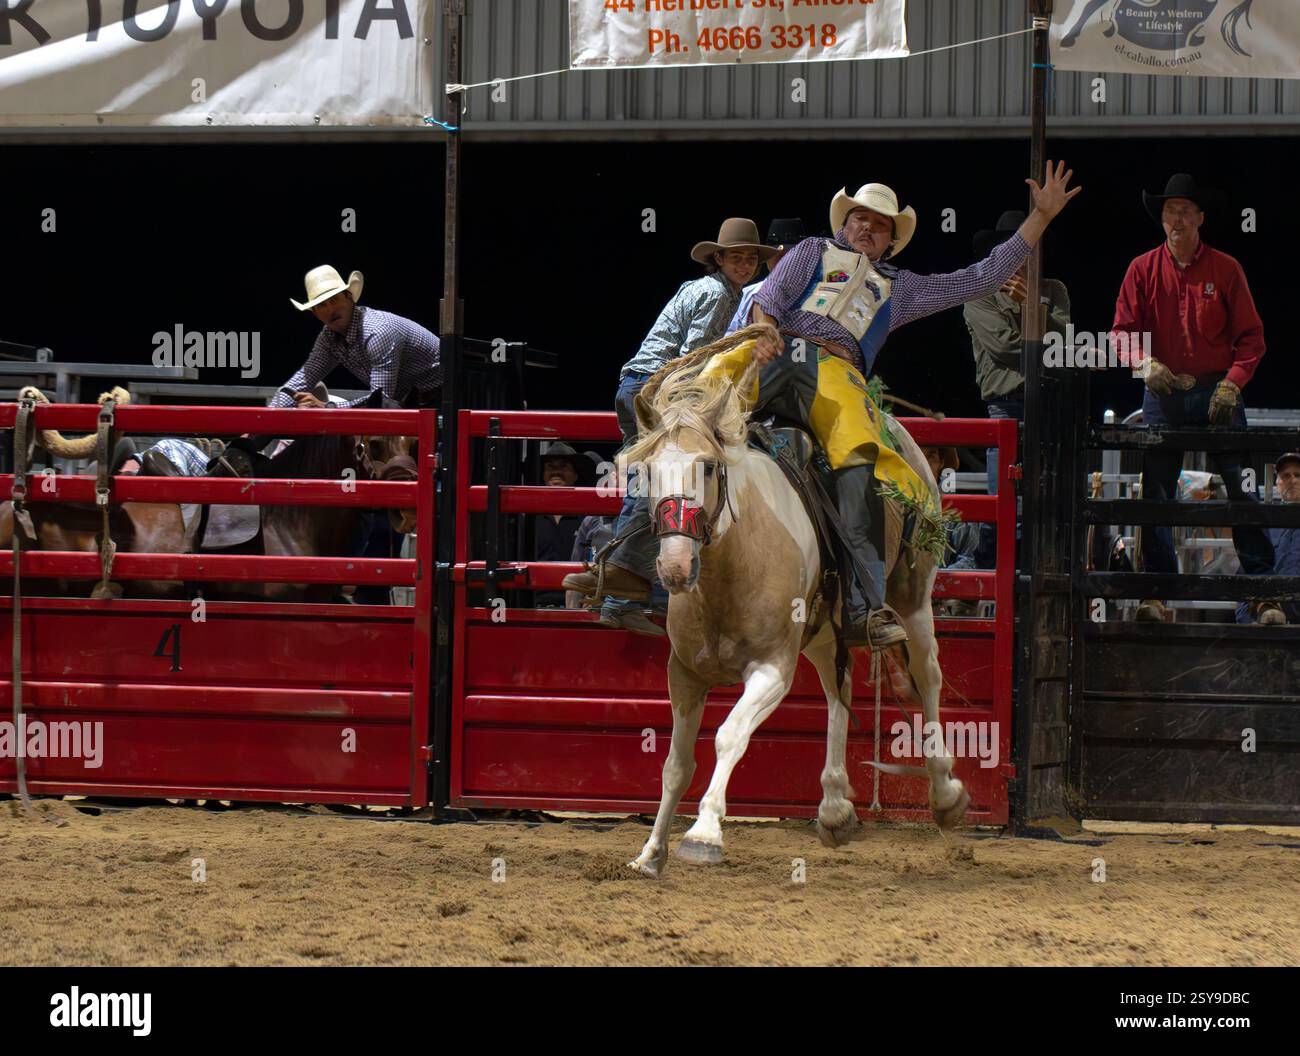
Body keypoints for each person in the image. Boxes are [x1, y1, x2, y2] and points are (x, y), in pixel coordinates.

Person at [744, 163, 1079, 647]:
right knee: (693, 408)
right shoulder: (811, 251)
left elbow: (979, 277)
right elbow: (771, 296)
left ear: (890, 242)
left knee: (859, 464)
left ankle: (863, 607)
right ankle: (635, 563)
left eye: (880, 225)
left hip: (836, 374)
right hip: (774, 350)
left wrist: (1041, 218)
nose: (868, 228)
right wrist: (764, 329)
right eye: (861, 218)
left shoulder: (900, 290)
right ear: (845, 222)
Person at [562, 218, 778, 636]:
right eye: (737, 256)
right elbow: (691, 358)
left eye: (751, 257)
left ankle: (617, 590)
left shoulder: (716, 291)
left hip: (641, 386)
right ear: (719, 259)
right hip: (655, 388)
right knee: (661, 480)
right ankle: (618, 589)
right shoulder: (719, 294)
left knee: (650, 482)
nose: (746, 263)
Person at [1109, 174, 1272, 622]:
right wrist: (1145, 364)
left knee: (1241, 488)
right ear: (1161, 220)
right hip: (1165, 392)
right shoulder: (1142, 269)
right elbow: (1121, 333)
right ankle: (1155, 595)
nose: (1176, 219)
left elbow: (1252, 337)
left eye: (1184, 210)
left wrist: (1232, 382)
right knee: (1156, 494)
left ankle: (1263, 593)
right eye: (1169, 211)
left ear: (1201, 218)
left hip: (1217, 389)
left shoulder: (1226, 268)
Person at [964, 209, 1072, 570]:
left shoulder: (1052, 291)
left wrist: (1033, 304)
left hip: (1049, 408)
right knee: (1004, 503)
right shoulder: (980, 294)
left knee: (1047, 504)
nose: (1022, 259)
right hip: (1007, 408)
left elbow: (1066, 343)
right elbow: (1007, 348)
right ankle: (984, 574)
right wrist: (1042, 328)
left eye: (1028, 250)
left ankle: (1029, 582)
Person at [271, 265, 442, 410]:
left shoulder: (377, 331)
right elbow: (301, 381)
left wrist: (328, 407)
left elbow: (382, 399)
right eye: (322, 305)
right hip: (410, 403)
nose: (331, 309)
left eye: (334, 299)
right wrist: (261, 422)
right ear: (315, 313)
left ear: (349, 297)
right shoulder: (328, 338)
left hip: (449, 397)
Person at [1235, 453, 1299, 626]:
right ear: (1278, 484)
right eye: (1286, 476)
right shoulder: (1264, 529)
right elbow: (1245, 582)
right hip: (1267, 625)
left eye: (1298, 475)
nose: (1292, 480)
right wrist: (1249, 621)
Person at [726, 218, 807, 334]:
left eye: (789, 253)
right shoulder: (746, 295)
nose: (783, 259)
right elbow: (728, 339)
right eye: (776, 253)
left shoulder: (819, 293)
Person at [533, 443, 586, 607]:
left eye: (563, 467)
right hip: (535, 605)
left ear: (575, 475)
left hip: (577, 605)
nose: (556, 471)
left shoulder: (587, 517)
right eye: (550, 467)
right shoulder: (529, 517)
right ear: (543, 475)